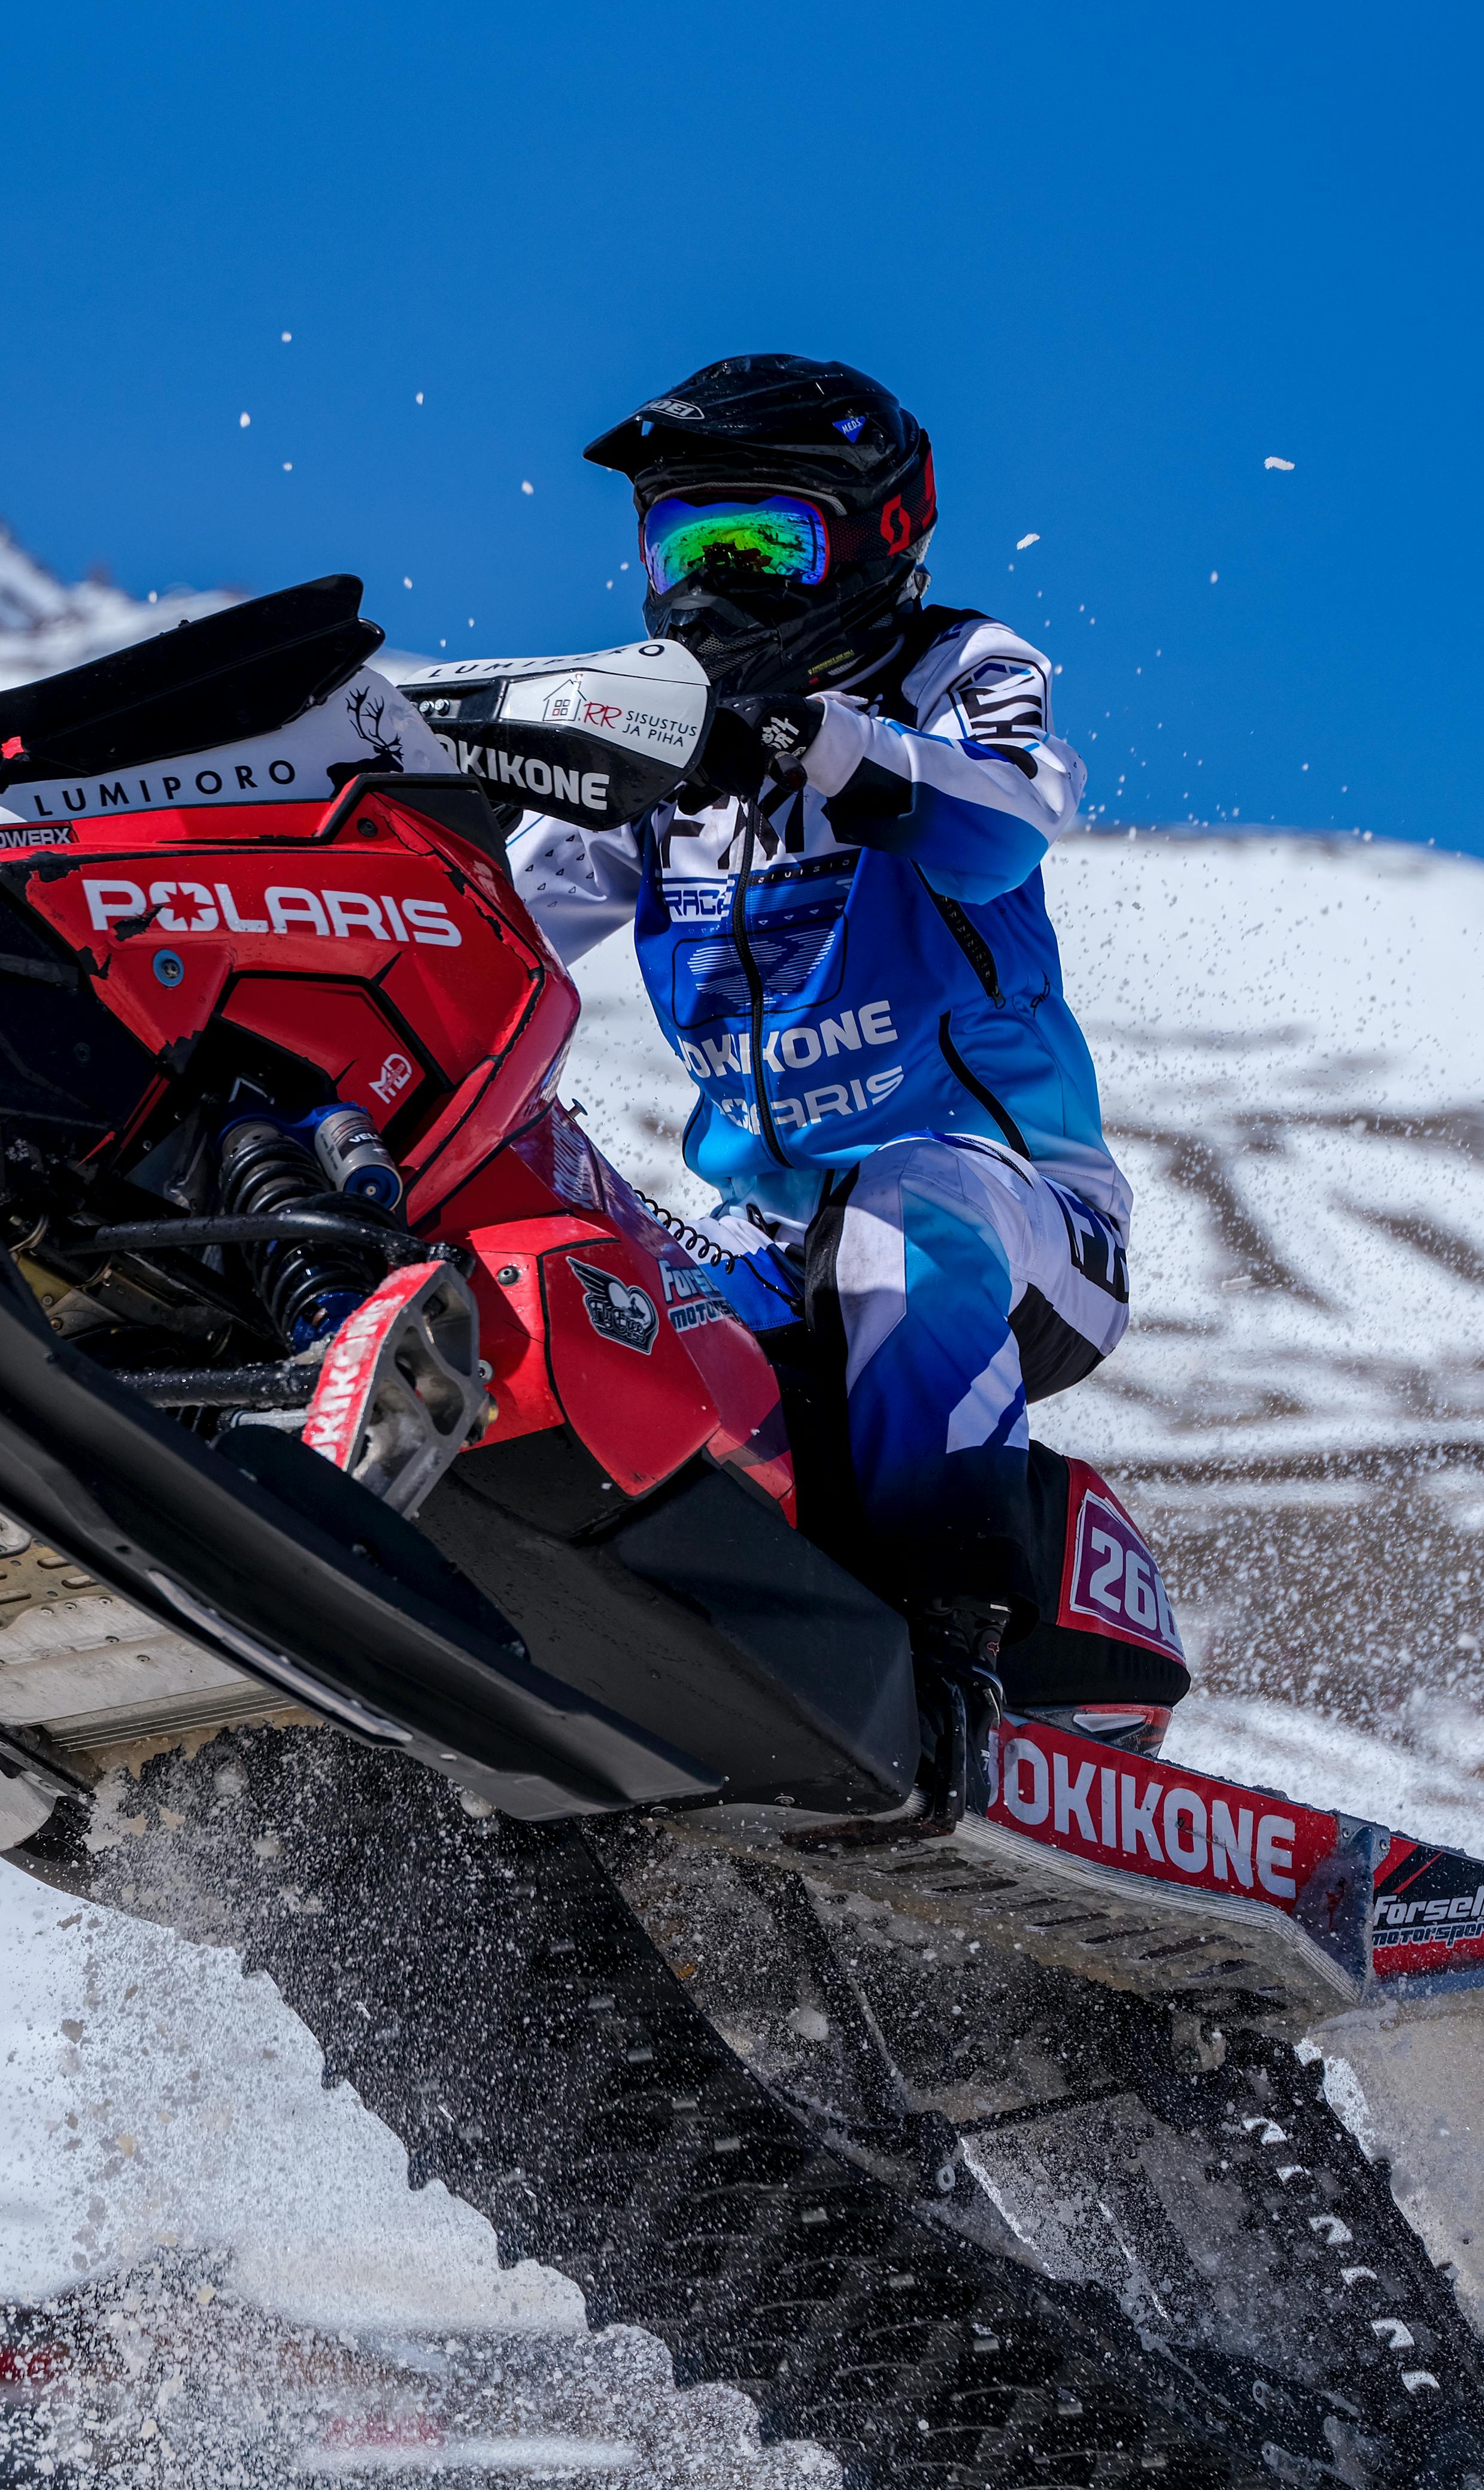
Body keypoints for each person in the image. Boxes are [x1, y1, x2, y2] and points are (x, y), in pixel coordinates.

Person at [506, 354, 1130, 1651]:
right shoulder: (665, 741)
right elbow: (510, 925)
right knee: (558, 1281)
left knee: (906, 1215)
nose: (709, 589)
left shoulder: (957, 665)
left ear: (875, 535)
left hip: (1024, 1227)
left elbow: (1009, 821)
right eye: (685, 544)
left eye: (757, 545)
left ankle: (957, 1643)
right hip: (766, 1248)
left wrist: (821, 740)